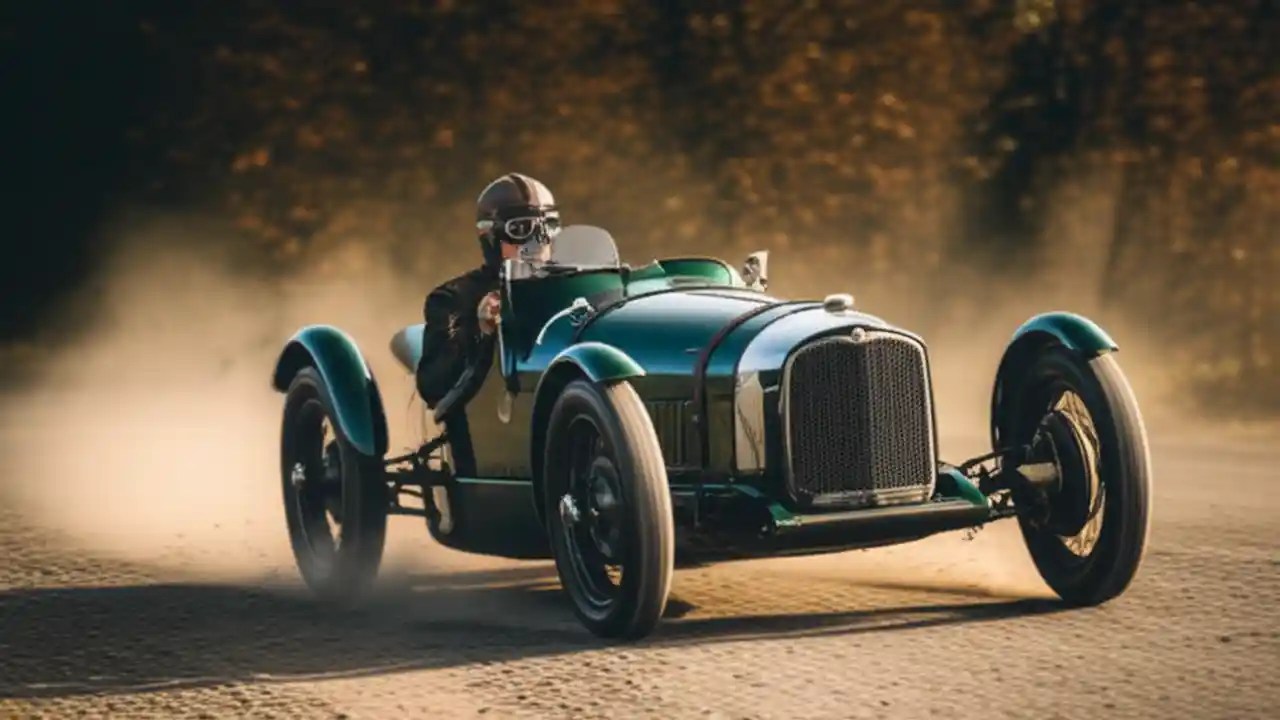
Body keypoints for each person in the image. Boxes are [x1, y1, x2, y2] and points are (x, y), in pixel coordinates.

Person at [416, 173, 560, 408]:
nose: (539, 239)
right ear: (491, 236)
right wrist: (480, 331)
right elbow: (433, 387)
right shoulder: (453, 298)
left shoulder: (569, 285)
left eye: (549, 225)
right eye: (522, 227)